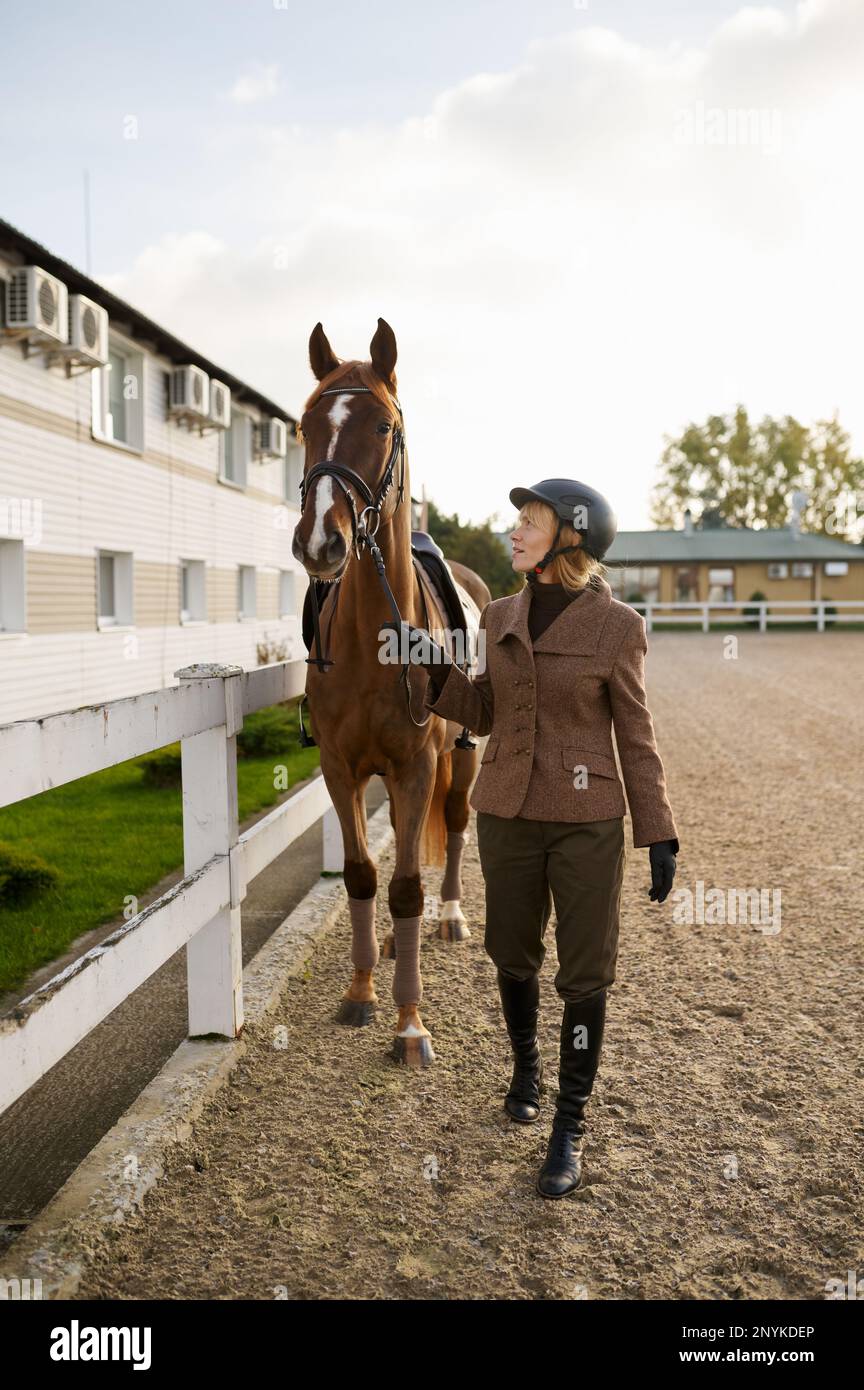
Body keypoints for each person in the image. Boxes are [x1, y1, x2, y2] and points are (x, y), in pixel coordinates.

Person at [395, 479, 679, 1198]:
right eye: (517, 519)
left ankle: (569, 1123)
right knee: (511, 954)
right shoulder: (497, 615)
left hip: (586, 823)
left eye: (529, 521)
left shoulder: (618, 627)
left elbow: (636, 737)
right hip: (507, 813)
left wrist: (658, 830)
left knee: (585, 975)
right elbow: (484, 712)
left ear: (571, 538)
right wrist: (433, 669)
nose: (514, 530)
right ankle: (525, 1065)